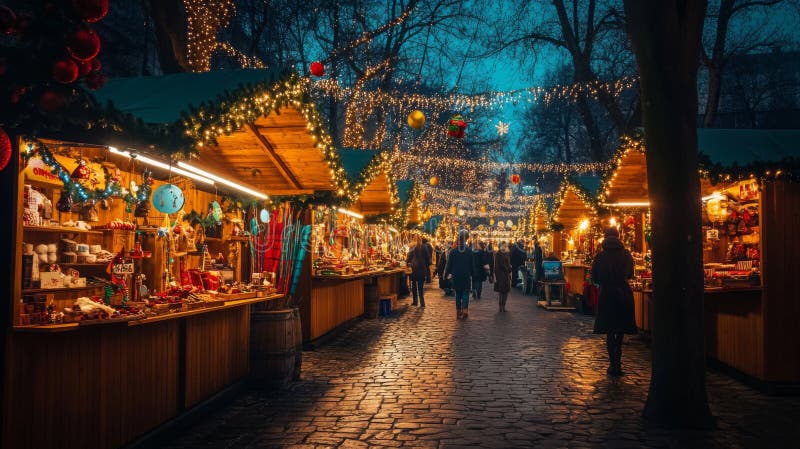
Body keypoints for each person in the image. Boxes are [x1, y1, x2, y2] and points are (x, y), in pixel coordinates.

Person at [592, 228, 637, 376]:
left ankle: (613, 363)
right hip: (623, 293)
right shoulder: (626, 255)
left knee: (610, 330)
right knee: (621, 329)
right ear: (618, 237)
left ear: (604, 238)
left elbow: (594, 278)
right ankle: (618, 362)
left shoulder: (600, 256)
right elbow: (630, 274)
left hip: (607, 294)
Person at [444, 230, 475, 319]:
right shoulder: (469, 251)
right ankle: (465, 311)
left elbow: (449, 264)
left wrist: (446, 274)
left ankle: (458, 312)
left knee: (458, 293)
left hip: (456, 275)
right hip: (466, 275)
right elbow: (472, 265)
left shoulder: (453, 251)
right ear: (466, 239)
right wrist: (472, 274)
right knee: (465, 293)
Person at [406, 235, 431, 307]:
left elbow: (408, 258)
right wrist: (425, 265)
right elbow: (428, 259)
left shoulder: (412, 248)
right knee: (420, 287)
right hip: (422, 269)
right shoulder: (424, 247)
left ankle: (415, 301)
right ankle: (422, 303)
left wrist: (408, 263)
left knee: (414, 286)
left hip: (414, 269)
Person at [493, 241, 512, 312]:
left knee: (506, 291)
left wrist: (509, 270)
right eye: (504, 245)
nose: (505, 247)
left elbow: (508, 263)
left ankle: (504, 306)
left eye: (505, 245)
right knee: (501, 291)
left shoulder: (507, 254)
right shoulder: (498, 254)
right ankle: (500, 306)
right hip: (500, 275)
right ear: (500, 246)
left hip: (506, 275)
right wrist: (497, 275)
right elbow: (497, 266)